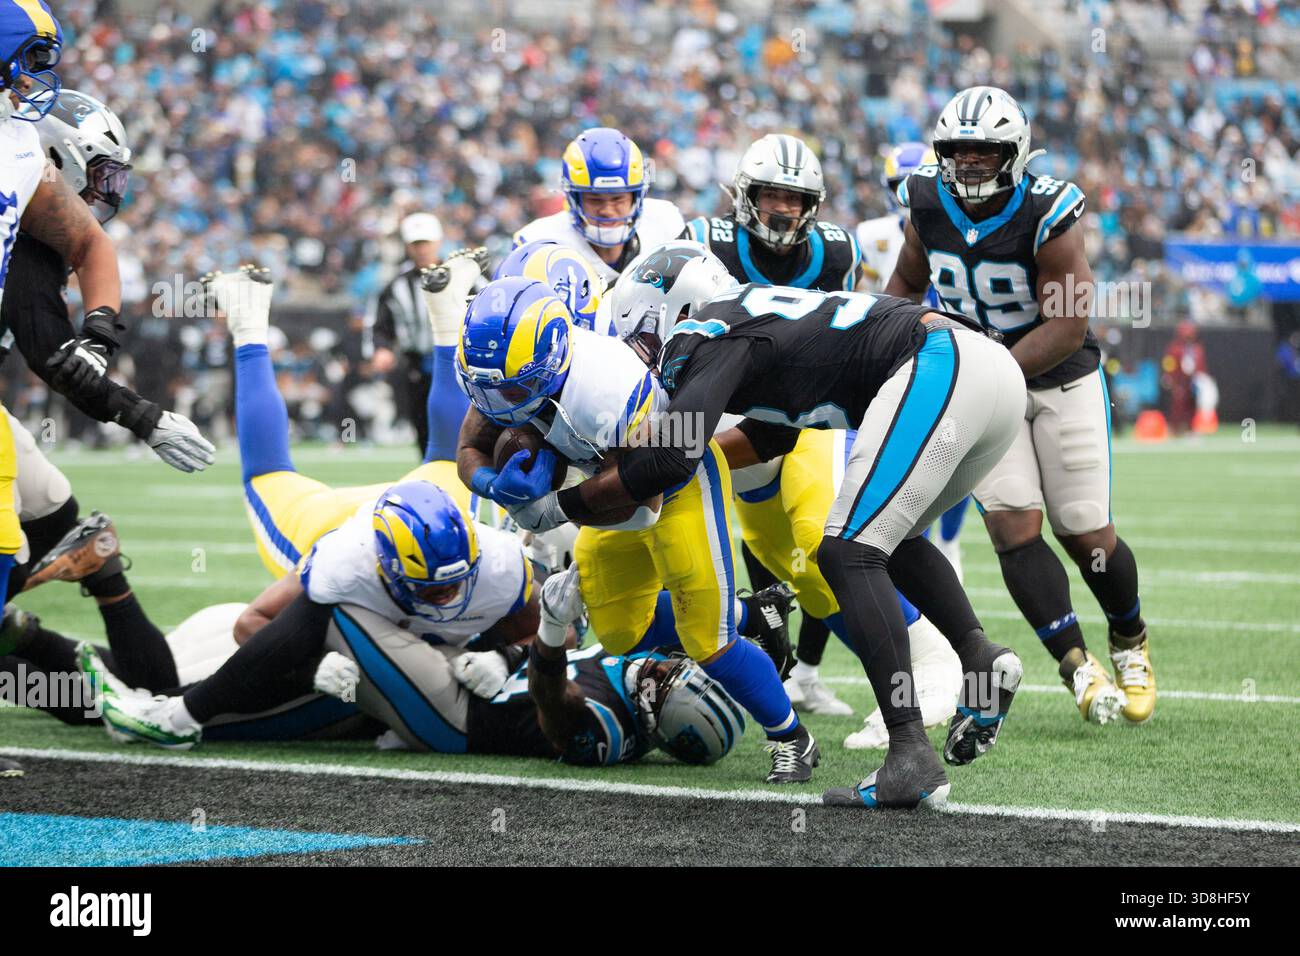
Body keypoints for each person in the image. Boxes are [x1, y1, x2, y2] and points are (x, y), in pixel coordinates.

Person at [503, 246, 1029, 810]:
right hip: (989, 374)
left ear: (664, 313)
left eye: (642, 337)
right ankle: (979, 658)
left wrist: (563, 505)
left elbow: (673, 453)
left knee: (847, 551)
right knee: (891, 538)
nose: (647, 356)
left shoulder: (707, 328)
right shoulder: (759, 318)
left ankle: (909, 753)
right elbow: (769, 437)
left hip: (940, 364)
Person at [455, 274, 816, 784]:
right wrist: (493, 483)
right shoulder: (509, 375)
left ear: (550, 360)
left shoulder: (603, 390)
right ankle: (753, 613)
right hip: (606, 485)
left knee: (706, 637)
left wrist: (555, 508)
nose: (498, 399)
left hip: (675, 483)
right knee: (622, 630)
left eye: (511, 385)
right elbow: (468, 448)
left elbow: (642, 504)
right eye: (488, 385)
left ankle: (792, 738)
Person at [885, 86, 1154, 726]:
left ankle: (1129, 639)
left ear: (1016, 152)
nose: (971, 164)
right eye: (959, 151)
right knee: (1012, 524)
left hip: (1059, 376)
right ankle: (1075, 664)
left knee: (1084, 526)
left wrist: (987, 368)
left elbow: (1064, 324)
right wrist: (892, 340)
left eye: (986, 152)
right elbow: (905, 285)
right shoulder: (925, 200)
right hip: (981, 382)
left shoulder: (1047, 211)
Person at [512, 127, 685, 285]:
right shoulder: (539, 243)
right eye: (595, 200)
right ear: (573, 199)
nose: (607, 210)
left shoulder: (665, 222)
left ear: (636, 197)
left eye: (618, 199)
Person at [370, 212, 444, 456]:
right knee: (422, 426)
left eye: (425, 243)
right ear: (407, 247)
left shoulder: (464, 277)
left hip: (459, 366)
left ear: (438, 242)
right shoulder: (397, 285)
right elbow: (381, 325)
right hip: (417, 366)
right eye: (416, 244)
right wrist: (382, 348)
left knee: (461, 426)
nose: (421, 249)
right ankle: (430, 476)